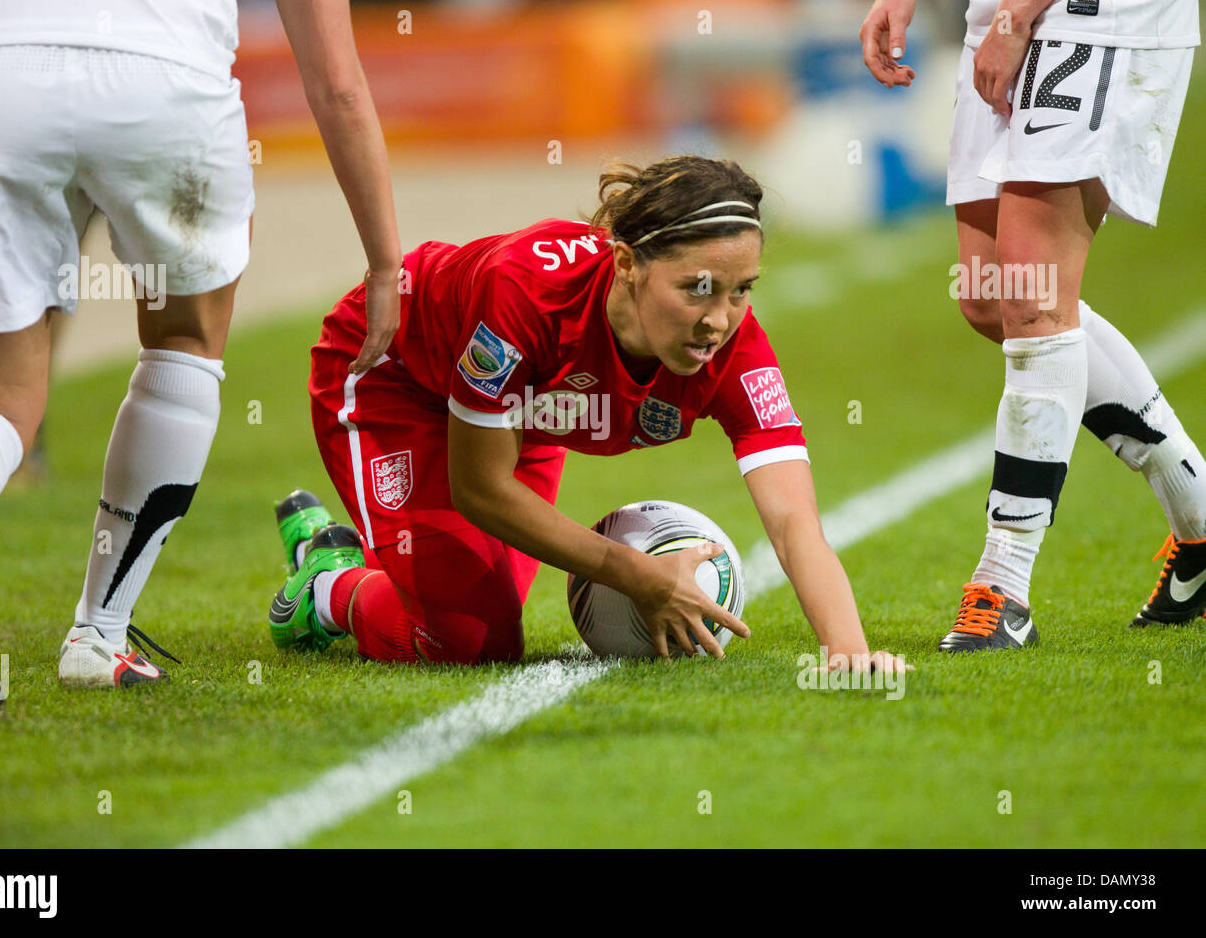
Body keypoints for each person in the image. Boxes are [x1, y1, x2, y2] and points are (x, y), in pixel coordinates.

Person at [0, 0, 402, 714]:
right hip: (161, 72)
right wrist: (386, 262)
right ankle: (99, 637)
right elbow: (338, 84)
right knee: (184, 346)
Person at [269, 156, 908, 670]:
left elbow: (794, 518)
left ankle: (390, 559)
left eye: (742, 290)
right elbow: (479, 489)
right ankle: (329, 586)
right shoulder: (526, 293)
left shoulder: (736, 351)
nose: (719, 320)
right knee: (468, 643)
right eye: (697, 289)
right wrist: (637, 574)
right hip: (393, 378)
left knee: (482, 606)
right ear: (627, 264)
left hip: (524, 415)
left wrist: (848, 653)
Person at [860, 0, 1204, 651]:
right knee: (990, 296)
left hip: (1095, 9)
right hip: (1004, 5)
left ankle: (1004, 586)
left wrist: (1017, 16)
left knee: (1031, 293)